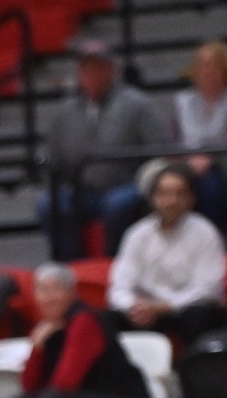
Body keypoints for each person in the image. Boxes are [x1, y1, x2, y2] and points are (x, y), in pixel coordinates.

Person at [38, 40, 170, 260]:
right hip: (82, 190)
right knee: (49, 204)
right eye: (86, 68)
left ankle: (117, 267)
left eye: (98, 68)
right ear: (79, 73)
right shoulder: (64, 112)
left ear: (111, 70)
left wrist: (146, 183)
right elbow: (49, 155)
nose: (92, 74)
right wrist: (51, 174)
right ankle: (70, 267)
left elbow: (160, 150)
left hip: (127, 185)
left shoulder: (136, 105)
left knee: (117, 205)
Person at [4, 262, 151, 398]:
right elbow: (29, 386)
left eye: (55, 290)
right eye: (42, 291)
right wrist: (37, 348)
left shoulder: (84, 321)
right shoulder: (47, 327)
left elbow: (65, 384)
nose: (48, 298)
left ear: (71, 293)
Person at [107, 165, 227, 344]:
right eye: (164, 193)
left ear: (191, 198)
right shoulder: (137, 234)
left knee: (198, 314)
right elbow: (119, 287)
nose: (171, 201)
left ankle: (194, 370)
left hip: (184, 310)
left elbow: (208, 289)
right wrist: (133, 306)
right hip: (146, 310)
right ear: (153, 198)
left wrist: (166, 307)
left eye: (179, 194)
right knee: (105, 319)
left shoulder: (205, 233)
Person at [172, 41, 227, 228]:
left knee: (210, 189)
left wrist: (209, 158)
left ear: (225, 70)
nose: (208, 71)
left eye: (214, 65)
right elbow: (172, 141)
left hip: (223, 165)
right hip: (185, 164)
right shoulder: (181, 102)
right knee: (165, 187)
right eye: (203, 65)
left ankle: (216, 241)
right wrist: (184, 161)